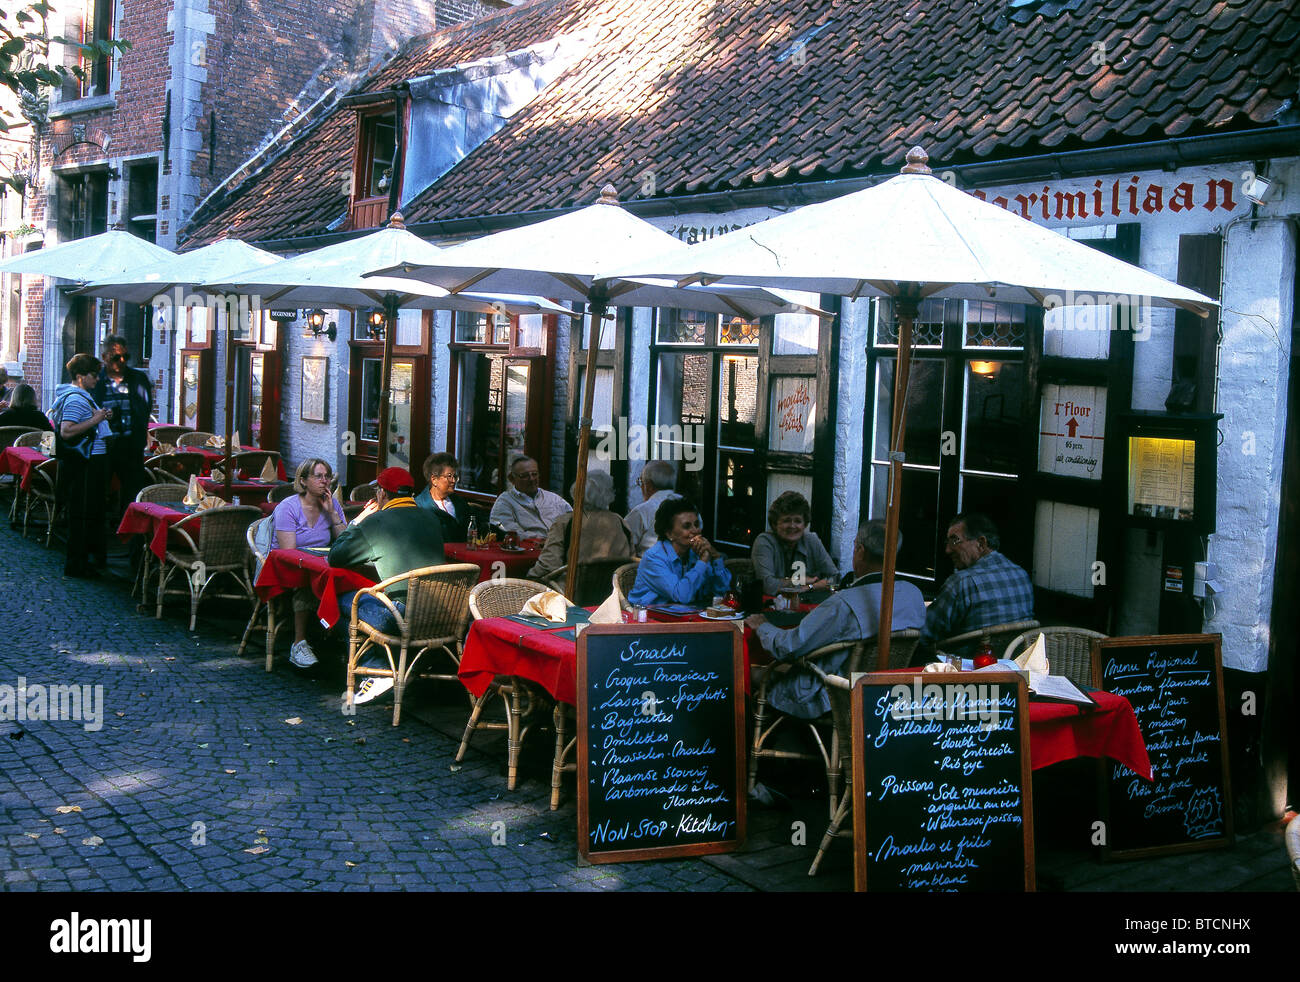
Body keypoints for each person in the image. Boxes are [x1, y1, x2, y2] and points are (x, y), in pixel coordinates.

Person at [746, 519, 927, 719]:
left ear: (860, 550)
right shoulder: (914, 595)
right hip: (884, 694)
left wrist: (762, 626)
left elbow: (788, 647)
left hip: (831, 695)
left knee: (751, 671)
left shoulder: (844, 604)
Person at [329, 466, 446, 704]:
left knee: (337, 602)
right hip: (444, 612)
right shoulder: (431, 517)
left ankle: (376, 669)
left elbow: (336, 556)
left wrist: (357, 522)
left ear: (382, 493)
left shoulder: (377, 521)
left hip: (402, 615)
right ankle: (408, 663)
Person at [919, 511, 1034, 654]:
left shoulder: (962, 583)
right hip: (1010, 663)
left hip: (966, 667)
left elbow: (924, 634)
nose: (948, 550)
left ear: (981, 543)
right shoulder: (1021, 574)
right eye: (947, 542)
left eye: (955, 540)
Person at [273, 458, 348, 668]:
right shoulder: (288, 507)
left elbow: (346, 541)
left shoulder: (331, 505)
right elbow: (288, 552)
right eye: (318, 476)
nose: (324, 481)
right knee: (306, 585)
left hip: (318, 564)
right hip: (286, 566)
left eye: (327, 477)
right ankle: (299, 643)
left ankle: (335, 634)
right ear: (304, 481)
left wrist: (332, 512)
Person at [50, 354, 114, 578]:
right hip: (86, 463)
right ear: (80, 377)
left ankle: (83, 560)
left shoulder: (83, 396)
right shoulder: (77, 398)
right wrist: (96, 420)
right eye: (93, 375)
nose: (97, 379)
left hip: (91, 461)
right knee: (83, 513)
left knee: (88, 511)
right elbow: (67, 431)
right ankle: (77, 563)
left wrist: (101, 416)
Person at [528, 469, 634, 579]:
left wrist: (528, 577)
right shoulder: (620, 522)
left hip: (570, 591)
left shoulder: (566, 522)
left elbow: (547, 566)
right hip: (612, 590)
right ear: (609, 494)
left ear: (576, 492)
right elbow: (629, 562)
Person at [628, 497, 730, 606]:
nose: (695, 531)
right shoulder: (654, 558)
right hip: (647, 617)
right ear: (669, 534)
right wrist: (702, 562)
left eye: (696, 524)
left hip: (686, 616)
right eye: (687, 526)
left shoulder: (695, 553)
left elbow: (721, 592)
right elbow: (681, 595)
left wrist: (715, 556)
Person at [94, 336, 154, 517]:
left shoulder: (138, 378)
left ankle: (131, 534)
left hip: (131, 445)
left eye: (125, 357)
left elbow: (145, 407)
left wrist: (139, 436)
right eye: (115, 357)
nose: (121, 361)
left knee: (133, 491)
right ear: (104, 357)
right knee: (99, 490)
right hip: (104, 446)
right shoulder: (96, 381)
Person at [750, 491, 839, 595]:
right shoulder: (764, 542)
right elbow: (767, 585)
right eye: (786, 521)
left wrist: (810, 586)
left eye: (797, 521)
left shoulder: (811, 540)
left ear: (805, 524)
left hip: (807, 605)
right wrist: (798, 581)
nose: (792, 526)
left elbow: (835, 578)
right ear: (775, 524)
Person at [488, 455, 571, 538]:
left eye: (534, 474)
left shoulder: (554, 498)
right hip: (531, 548)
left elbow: (573, 521)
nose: (531, 479)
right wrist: (545, 540)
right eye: (524, 476)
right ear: (512, 479)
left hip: (560, 547)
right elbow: (510, 533)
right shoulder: (504, 502)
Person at [624, 459, 680, 556]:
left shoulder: (642, 511)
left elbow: (623, 545)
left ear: (649, 485)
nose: (641, 487)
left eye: (641, 482)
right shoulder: (688, 506)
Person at [414, 451, 469, 542]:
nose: (454, 481)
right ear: (434, 479)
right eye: (449, 476)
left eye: (455, 476)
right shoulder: (419, 506)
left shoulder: (459, 502)